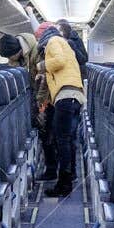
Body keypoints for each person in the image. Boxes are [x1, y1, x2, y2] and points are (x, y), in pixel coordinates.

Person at [34, 21, 84, 198]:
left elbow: (59, 62)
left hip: (66, 95)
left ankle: (64, 184)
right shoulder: (63, 44)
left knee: (61, 139)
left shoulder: (53, 42)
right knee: (67, 139)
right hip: (74, 95)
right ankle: (68, 179)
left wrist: (41, 66)